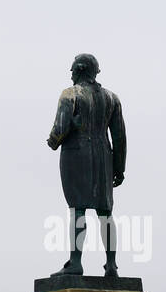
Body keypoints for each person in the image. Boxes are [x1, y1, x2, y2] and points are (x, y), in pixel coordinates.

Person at [46, 54, 126, 277]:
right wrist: (119, 167)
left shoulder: (71, 94)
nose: (70, 75)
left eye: (72, 70)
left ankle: (75, 262)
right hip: (104, 157)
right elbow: (119, 138)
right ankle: (111, 265)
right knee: (105, 212)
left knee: (78, 210)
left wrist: (52, 141)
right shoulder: (112, 98)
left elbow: (60, 128)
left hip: (76, 155)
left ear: (80, 70)